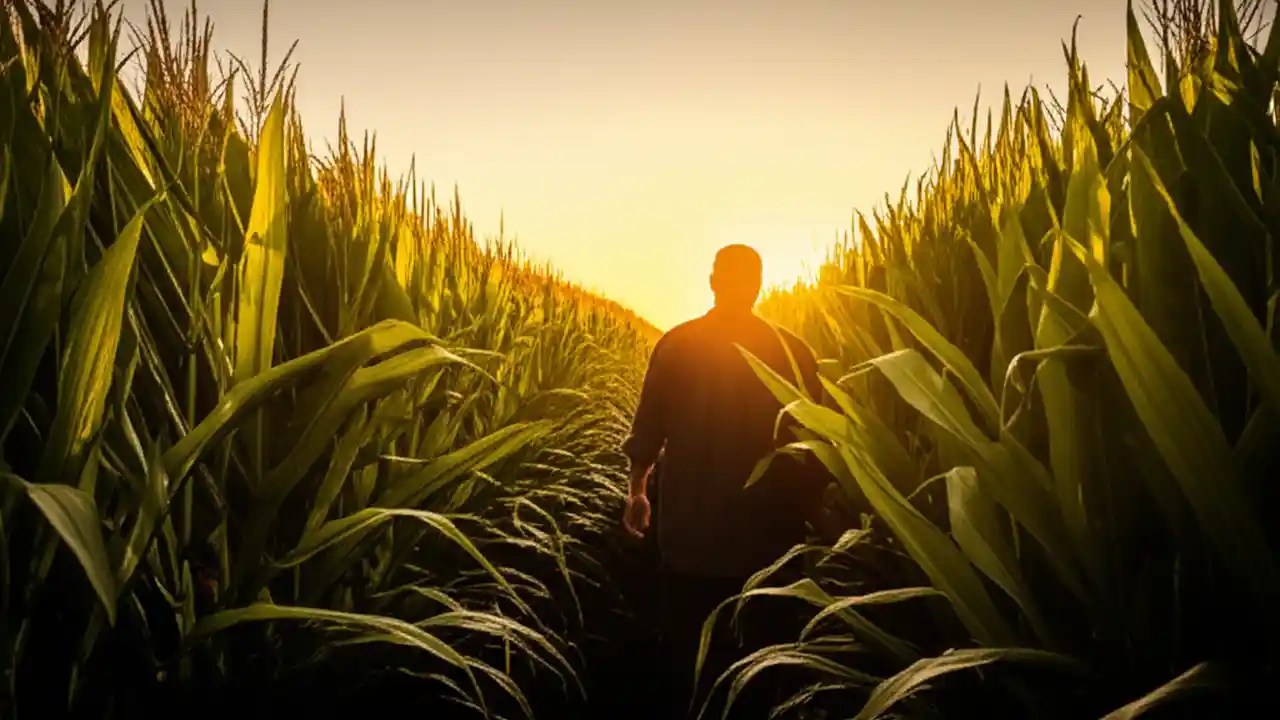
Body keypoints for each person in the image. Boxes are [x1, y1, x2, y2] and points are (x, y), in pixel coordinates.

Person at [619, 244, 832, 719]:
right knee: (759, 678)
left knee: (690, 668)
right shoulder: (793, 352)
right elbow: (813, 453)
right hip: (768, 552)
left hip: (692, 544)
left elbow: (647, 433)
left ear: (712, 280)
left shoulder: (676, 345)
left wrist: (636, 493)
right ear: (757, 285)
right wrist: (825, 525)